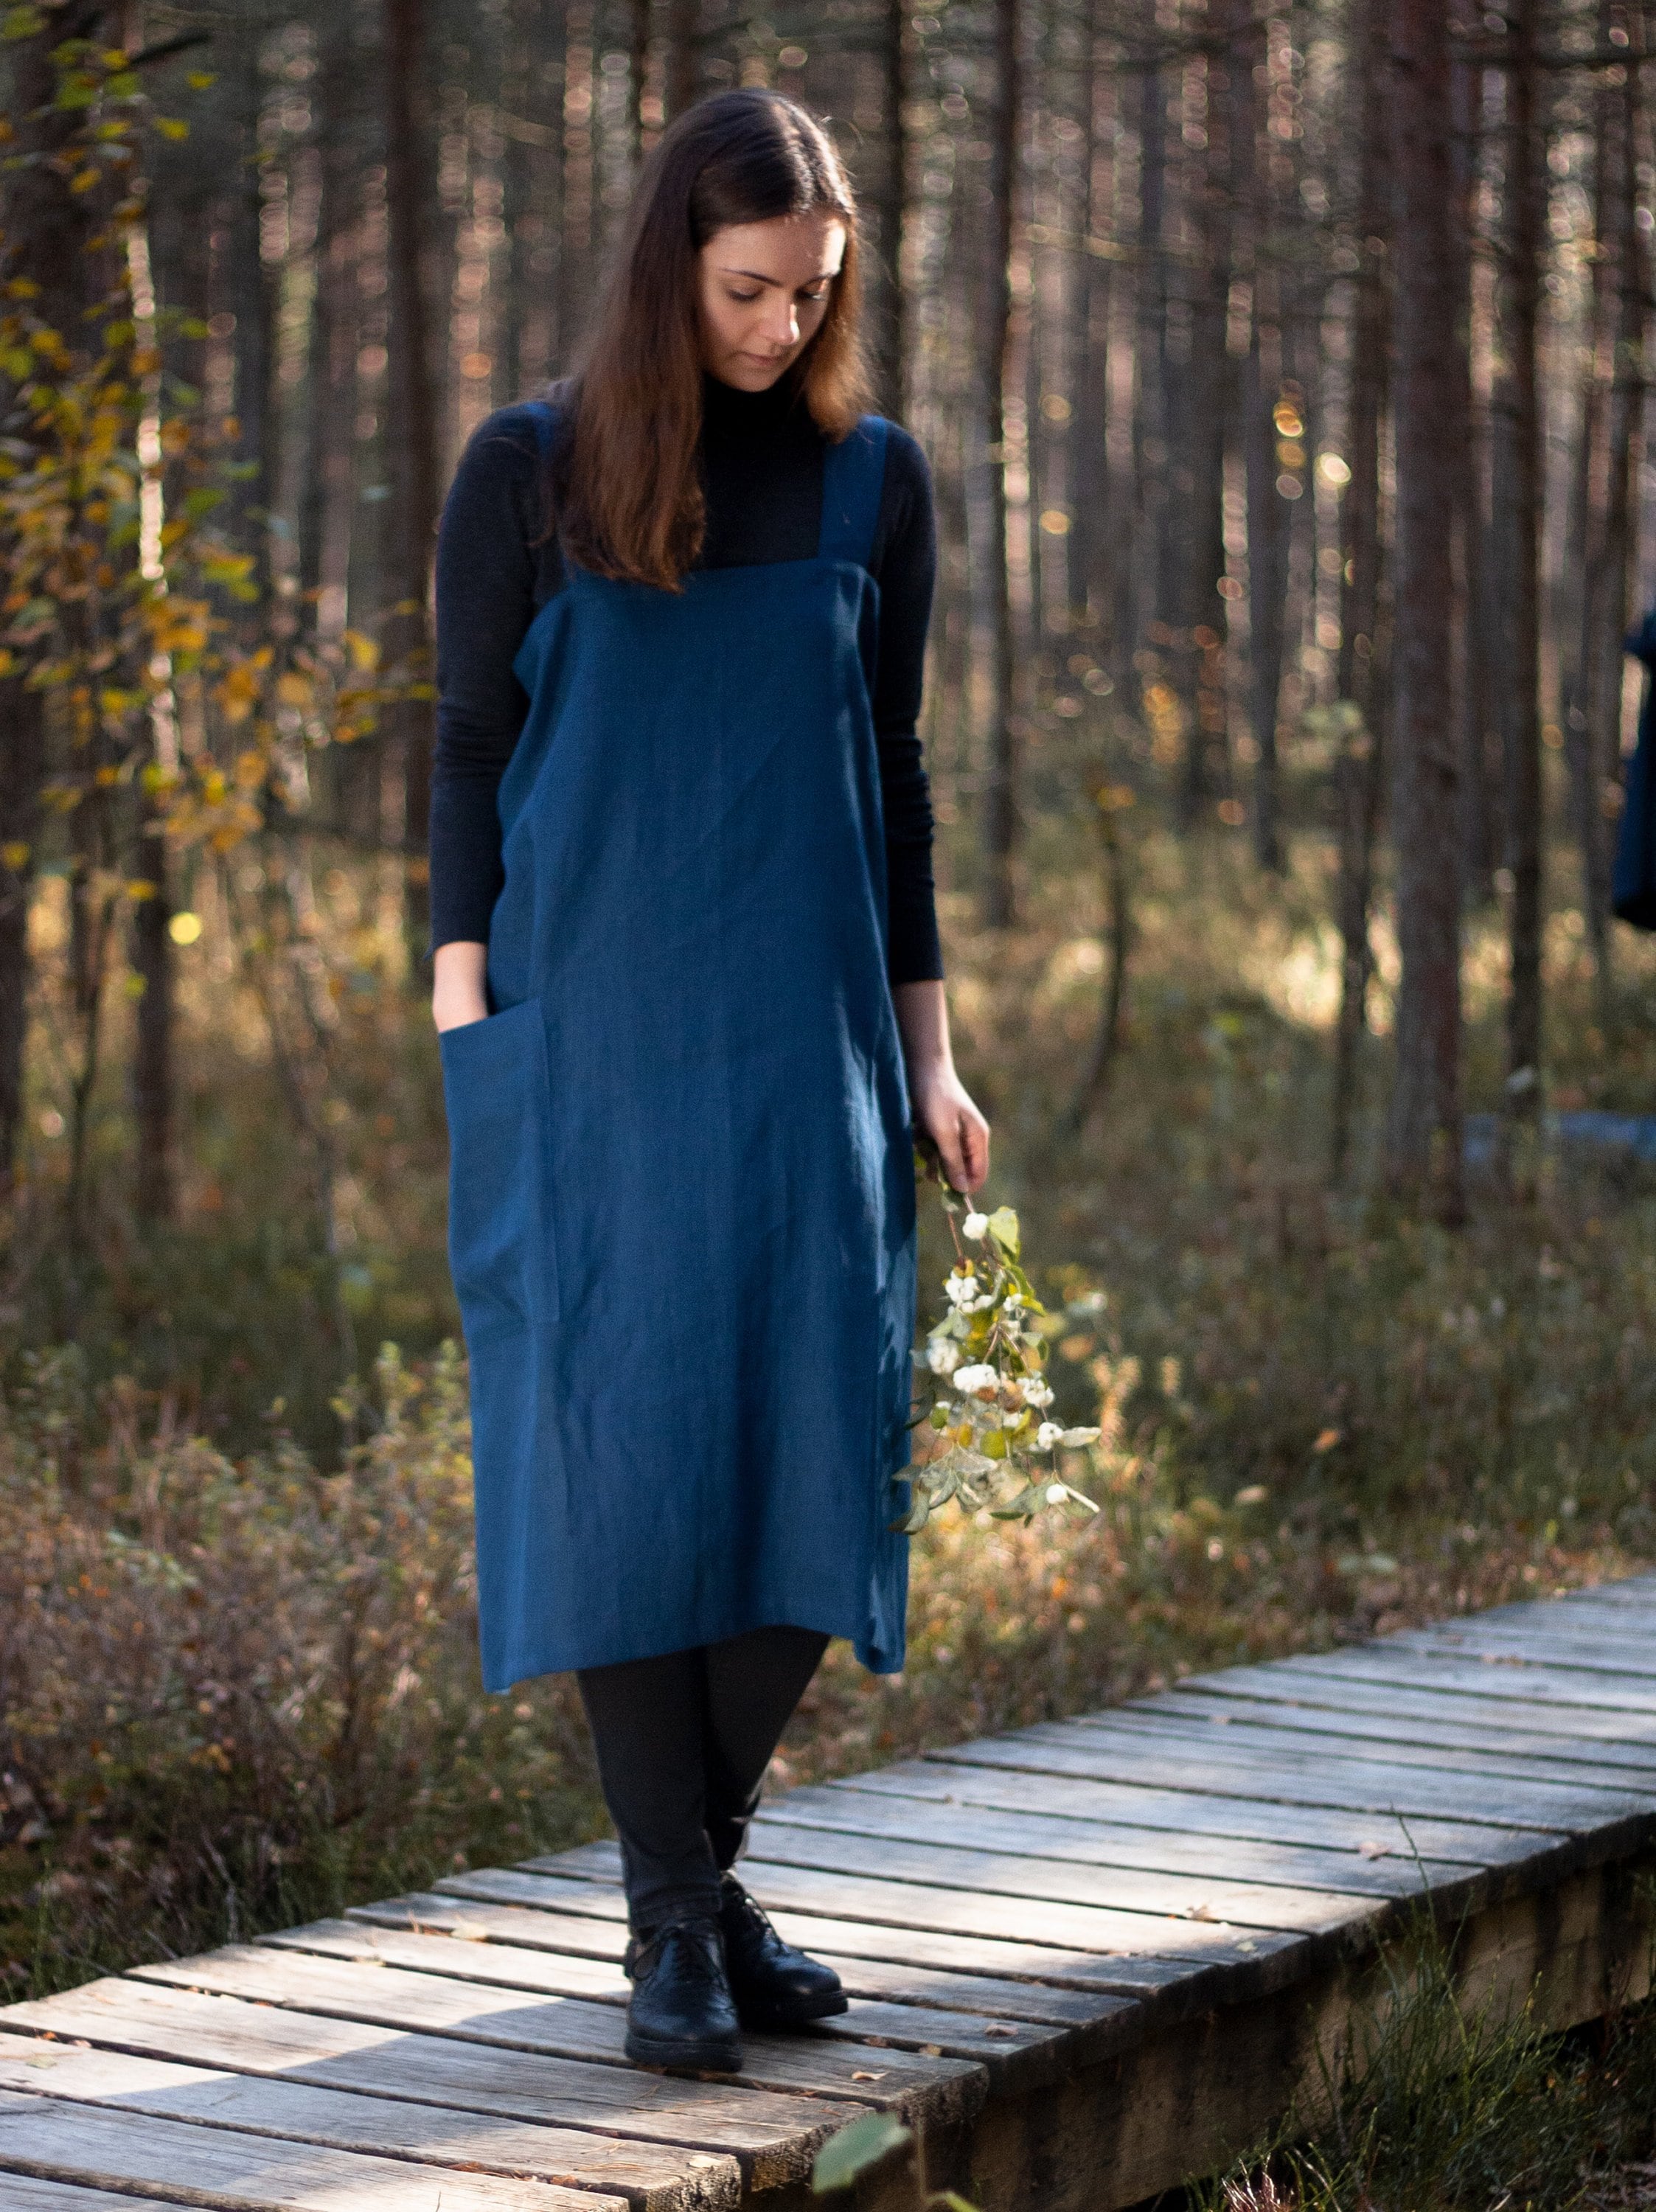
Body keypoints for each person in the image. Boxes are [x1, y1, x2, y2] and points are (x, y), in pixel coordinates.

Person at [428, 87, 989, 2074]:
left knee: (817, 1452)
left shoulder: (868, 485)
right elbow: (469, 758)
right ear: (675, 263)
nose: (779, 324)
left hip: (811, 1043)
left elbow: (897, 784)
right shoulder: (527, 473)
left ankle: (692, 1887)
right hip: (587, 1045)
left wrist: (930, 1052)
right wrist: (458, 1012)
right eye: (751, 288)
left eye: (813, 292)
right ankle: (684, 1925)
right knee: (619, 1468)